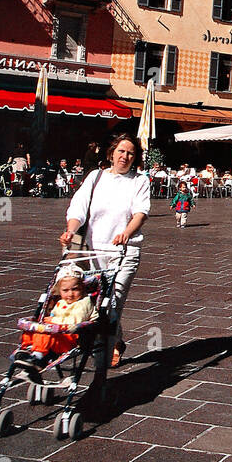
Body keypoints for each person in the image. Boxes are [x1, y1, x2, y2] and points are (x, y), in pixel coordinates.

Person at [59, 134, 150, 368]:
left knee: (112, 303)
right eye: (121, 151)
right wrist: (71, 231)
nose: (125, 156)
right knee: (98, 303)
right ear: (111, 153)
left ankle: (103, 362)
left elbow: (140, 213)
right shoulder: (95, 177)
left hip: (124, 252)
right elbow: (78, 207)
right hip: (93, 250)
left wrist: (127, 233)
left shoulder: (139, 181)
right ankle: (115, 340)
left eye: (130, 153)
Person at [16, 264, 95, 369]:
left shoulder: (84, 302)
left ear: (82, 288)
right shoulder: (61, 302)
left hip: (71, 337)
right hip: (57, 333)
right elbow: (53, 314)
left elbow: (75, 320)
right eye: (65, 291)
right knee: (34, 329)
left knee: (45, 331)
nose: (70, 294)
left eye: (75, 289)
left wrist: (53, 320)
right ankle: (27, 349)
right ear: (59, 291)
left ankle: (38, 356)